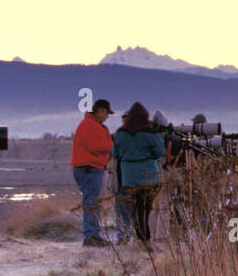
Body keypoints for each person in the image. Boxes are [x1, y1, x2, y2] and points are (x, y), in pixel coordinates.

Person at [111, 102, 166, 247]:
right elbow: (160, 152)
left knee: (136, 209)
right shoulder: (149, 132)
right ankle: (146, 240)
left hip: (129, 177)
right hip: (149, 175)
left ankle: (142, 239)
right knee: (146, 209)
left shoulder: (120, 133)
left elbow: (115, 154)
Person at [70, 98, 113, 246]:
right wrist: (112, 144)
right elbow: (96, 146)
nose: (107, 117)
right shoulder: (91, 125)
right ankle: (91, 236)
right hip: (89, 168)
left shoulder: (91, 124)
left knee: (92, 201)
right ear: (100, 111)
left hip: (88, 168)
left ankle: (93, 234)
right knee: (91, 202)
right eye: (107, 113)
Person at [110, 109, 134, 244]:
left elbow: (114, 154)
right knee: (135, 210)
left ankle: (123, 236)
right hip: (136, 180)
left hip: (123, 179)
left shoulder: (119, 135)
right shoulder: (143, 135)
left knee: (122, 210)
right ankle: (137, 237)